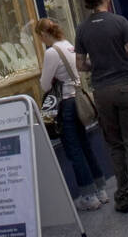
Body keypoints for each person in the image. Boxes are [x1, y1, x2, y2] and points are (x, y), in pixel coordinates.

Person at [74, 0, 128, 215]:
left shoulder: (82, 28)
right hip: (124, 86)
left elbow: (80, 64)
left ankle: (123, 196)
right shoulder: (119, 22)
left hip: (101, 91)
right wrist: (119, 55)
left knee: (115, 145)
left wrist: (96, 64)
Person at [36, 17, 108, 212]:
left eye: (40, 38)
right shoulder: (68, 45)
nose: (42, 41)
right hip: (78, 100)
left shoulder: (52, 52)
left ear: (43, 35)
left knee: (74, 149)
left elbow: (44, 84)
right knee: (85, 145)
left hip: (65, 105)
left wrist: (50, 81)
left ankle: (88, 195)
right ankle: (101, 188)